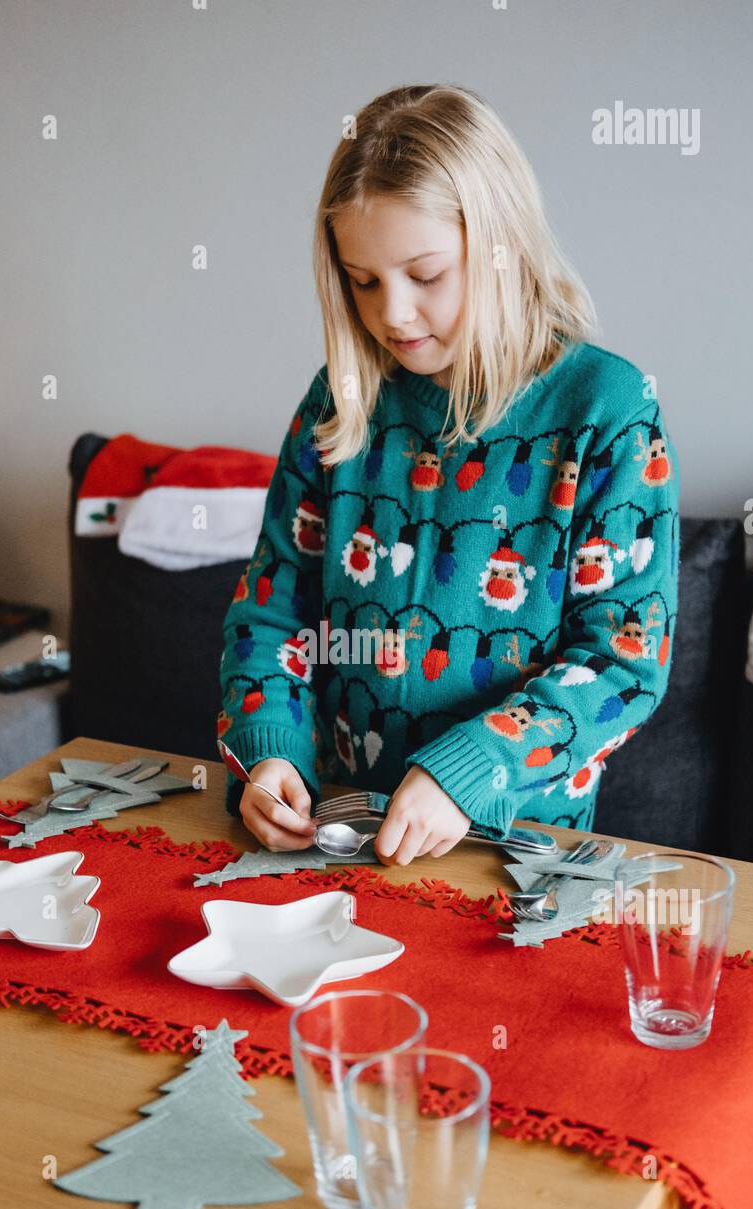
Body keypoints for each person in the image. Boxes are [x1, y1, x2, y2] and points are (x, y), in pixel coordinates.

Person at [217, 83, 680, 868]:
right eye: (362, 281)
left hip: (515, 849)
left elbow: (623, 662)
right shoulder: (342, 398)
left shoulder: (609, 409)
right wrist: (271, 753)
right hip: (333, 833)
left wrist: (468, 773)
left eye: (424, 275)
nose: (392, 314)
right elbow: (272, 615)